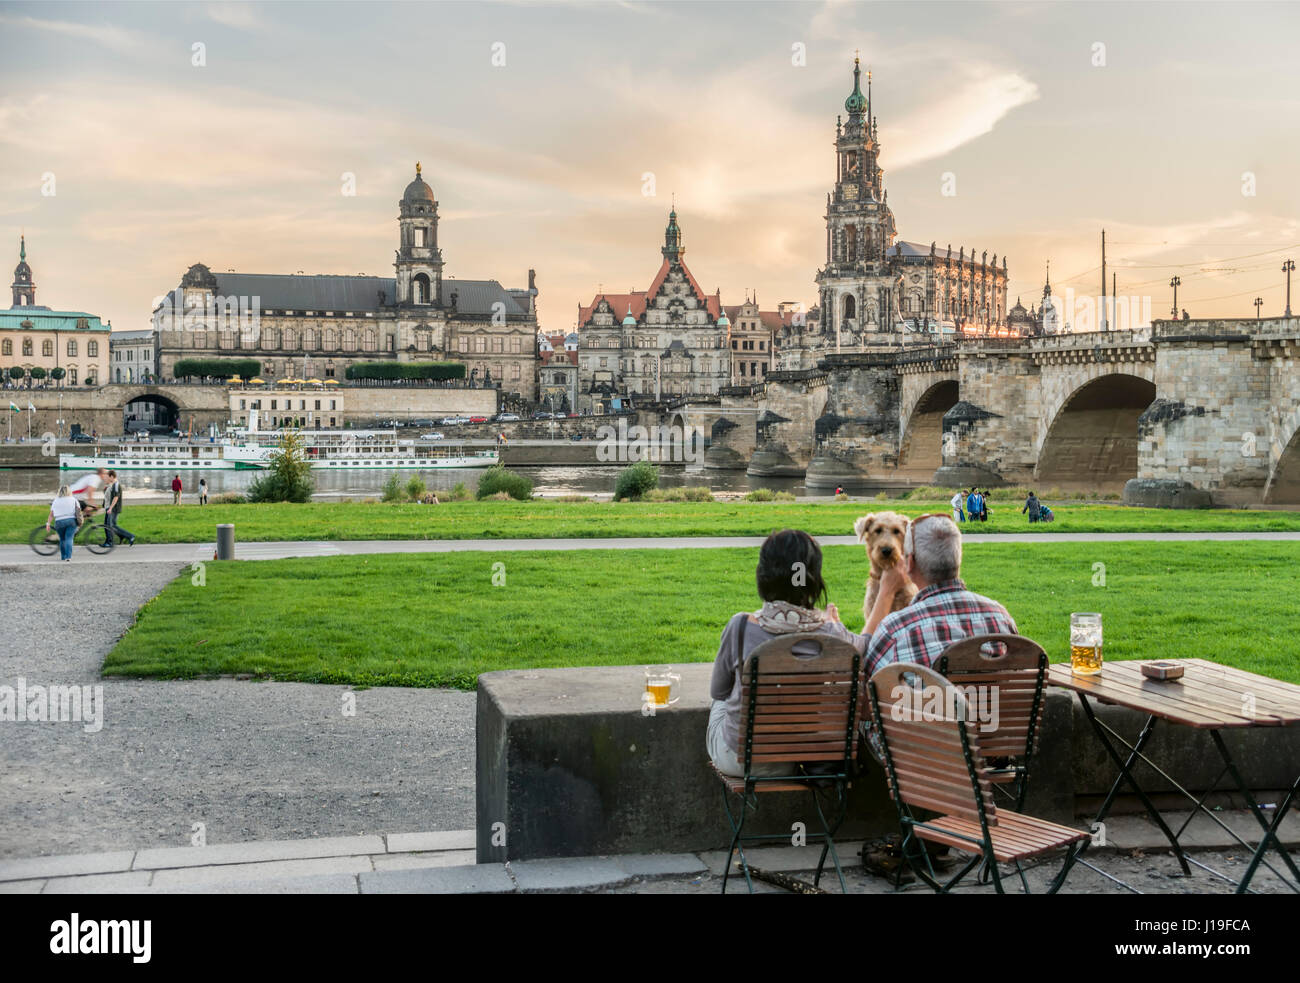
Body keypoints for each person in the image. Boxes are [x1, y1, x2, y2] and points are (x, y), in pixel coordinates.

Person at [708, 529, 866, 778]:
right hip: (791, 760)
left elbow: (718, 691)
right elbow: (864, 645)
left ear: (764, 575)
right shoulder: (832, 634)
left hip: (739, 759)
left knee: (721, 700)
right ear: (814, 579)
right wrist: (836, 624)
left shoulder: (739, 627)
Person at [862, 513, 1018, 750]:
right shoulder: (1000, 617)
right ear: (958, 558)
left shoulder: (895, 628)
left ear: (910, 563)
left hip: (919, 760)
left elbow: (866, 691)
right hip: (989, 751)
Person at [47, 484, 81, 562]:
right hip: (71, 521)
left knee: (62, 539)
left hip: (59, 522)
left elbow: (51, 514)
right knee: (69, 538)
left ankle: (63, 556)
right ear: (69, 491)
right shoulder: (73, 499)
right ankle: (68, 557)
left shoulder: (56, 500)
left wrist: (48, 524)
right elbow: (78, 511)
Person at [102, 470, 136, 547]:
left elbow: (116, 497)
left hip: (114, 509)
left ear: (111, 476)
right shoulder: (112, 485)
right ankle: (119, 537)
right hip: (110, 508)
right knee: (109, 525)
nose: (106, 479)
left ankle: (129, 536)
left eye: (107, 477)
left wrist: (110, 508)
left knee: (110, 526)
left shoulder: (116, 485)